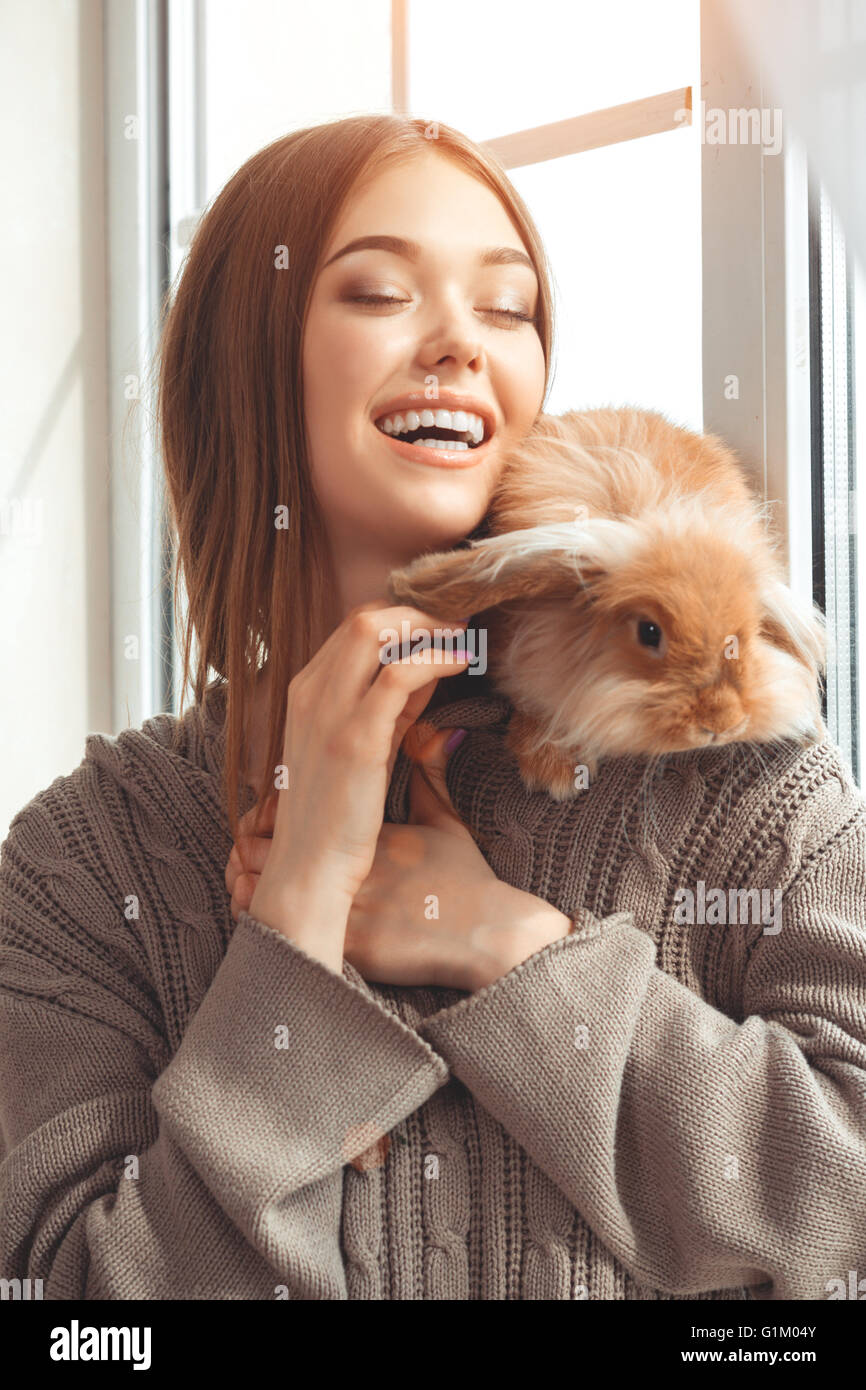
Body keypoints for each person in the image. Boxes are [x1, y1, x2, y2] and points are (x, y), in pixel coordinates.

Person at [2, 113, 866, 1302]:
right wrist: (296, 916)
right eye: (376, 292)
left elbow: (840, 1208)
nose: (460, 340)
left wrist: (501, 945)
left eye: (506, 308)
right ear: (243, 360)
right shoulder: (81, 867)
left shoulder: (729, 760)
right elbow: (79, 1318)